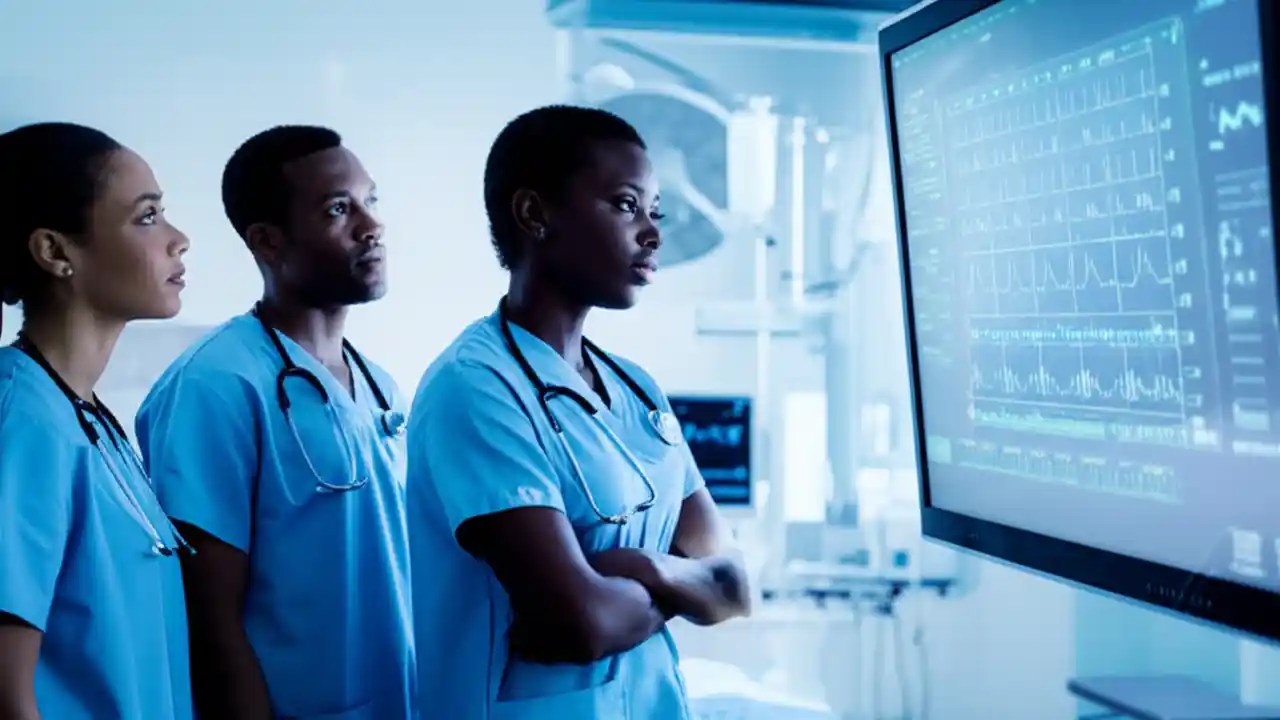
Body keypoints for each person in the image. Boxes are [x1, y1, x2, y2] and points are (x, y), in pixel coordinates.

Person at [407, 104, 752, 719]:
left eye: (655, 211)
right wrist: (679, 583)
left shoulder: (636, 389)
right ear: (535, 214)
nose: (653, 233)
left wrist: (642, 567)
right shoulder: (477, 389)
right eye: (625, 205)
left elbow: (734, 586)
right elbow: (580, 624)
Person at [135, 125, 415, 720]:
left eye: (371, 201)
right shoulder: (216, 385)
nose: (371, 227)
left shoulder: (378, 386)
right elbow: (210, 619)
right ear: (267, 240)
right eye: (339, 209)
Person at [0, 122, 193, 720]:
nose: (178, 239)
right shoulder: (21, 422)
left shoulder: (86, 418)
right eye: (147, 217)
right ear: (55, 251)